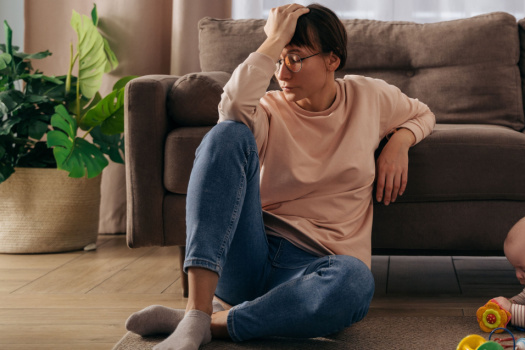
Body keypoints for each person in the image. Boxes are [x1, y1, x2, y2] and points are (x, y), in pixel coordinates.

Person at [124, 3, 435, 349]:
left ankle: (212, 324)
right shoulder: (268, 109)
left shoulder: (369, 97)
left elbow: (423, 113)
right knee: (226, 134)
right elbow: (231, 110)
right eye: (278, 59)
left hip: (316, 271)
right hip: (249, 255)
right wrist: (274, 40)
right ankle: (196, 310)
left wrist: (400, 141)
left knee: (355, 282)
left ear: (333, 59)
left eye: (295, 58)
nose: (282, 74)